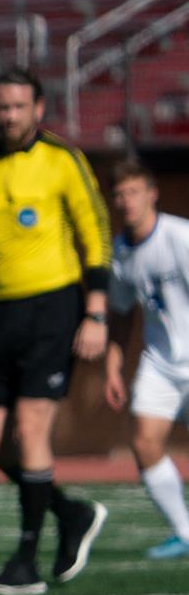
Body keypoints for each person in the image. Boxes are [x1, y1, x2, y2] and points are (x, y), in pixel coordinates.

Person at [0, 67, 110, 595]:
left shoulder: (63, 161)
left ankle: (26, 561)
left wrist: (96, 311)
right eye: (2, 107)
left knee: (32, 430)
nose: (9, 115)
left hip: (53, 309)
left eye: (19, 106)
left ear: (39, 109)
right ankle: (70, 512)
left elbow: (94, 234)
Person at [101, 158, 189, 560]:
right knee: (144, 442)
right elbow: (121, 312)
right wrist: (113, 364)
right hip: (160, 363)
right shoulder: (120, 252)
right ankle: (185, 533)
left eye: (133, 192)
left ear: (152, 194)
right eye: (119, 195)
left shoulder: (180, 236)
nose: (126, 201)